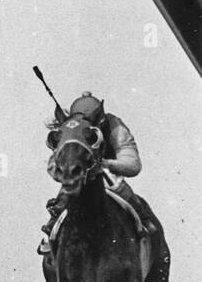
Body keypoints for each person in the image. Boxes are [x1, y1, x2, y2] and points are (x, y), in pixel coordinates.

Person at [39, 92, 162, 256]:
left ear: (100, 121)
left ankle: (144, 222)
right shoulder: (70, 128)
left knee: (118, 187)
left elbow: (133, 165)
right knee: (66, 194)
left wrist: (107, 164)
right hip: (81, 176)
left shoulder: (115, 127)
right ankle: (51, 230)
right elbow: (53, 166)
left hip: (108, 173)